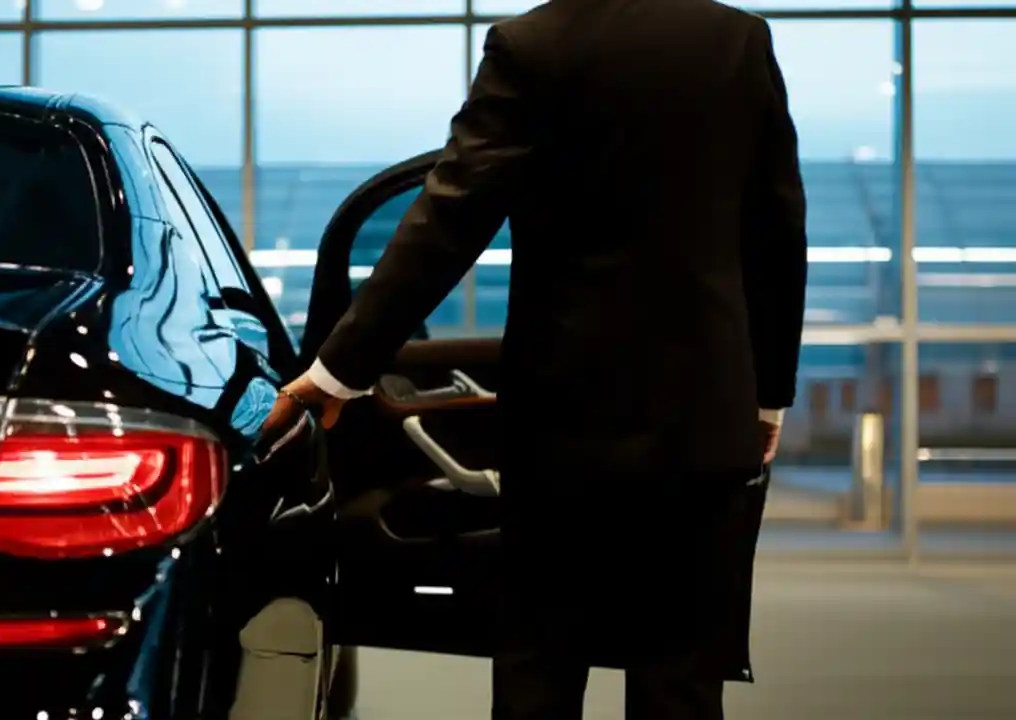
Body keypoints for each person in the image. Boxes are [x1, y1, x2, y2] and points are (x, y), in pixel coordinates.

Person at [259, 0, 807, 716]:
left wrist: (339, 370)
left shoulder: (534, 43)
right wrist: (766, 394)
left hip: (566, 424)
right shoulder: (737, 39)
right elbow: (775, 231)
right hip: (703, 416)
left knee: (539, 668)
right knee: (682, 678)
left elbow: (450, 218)